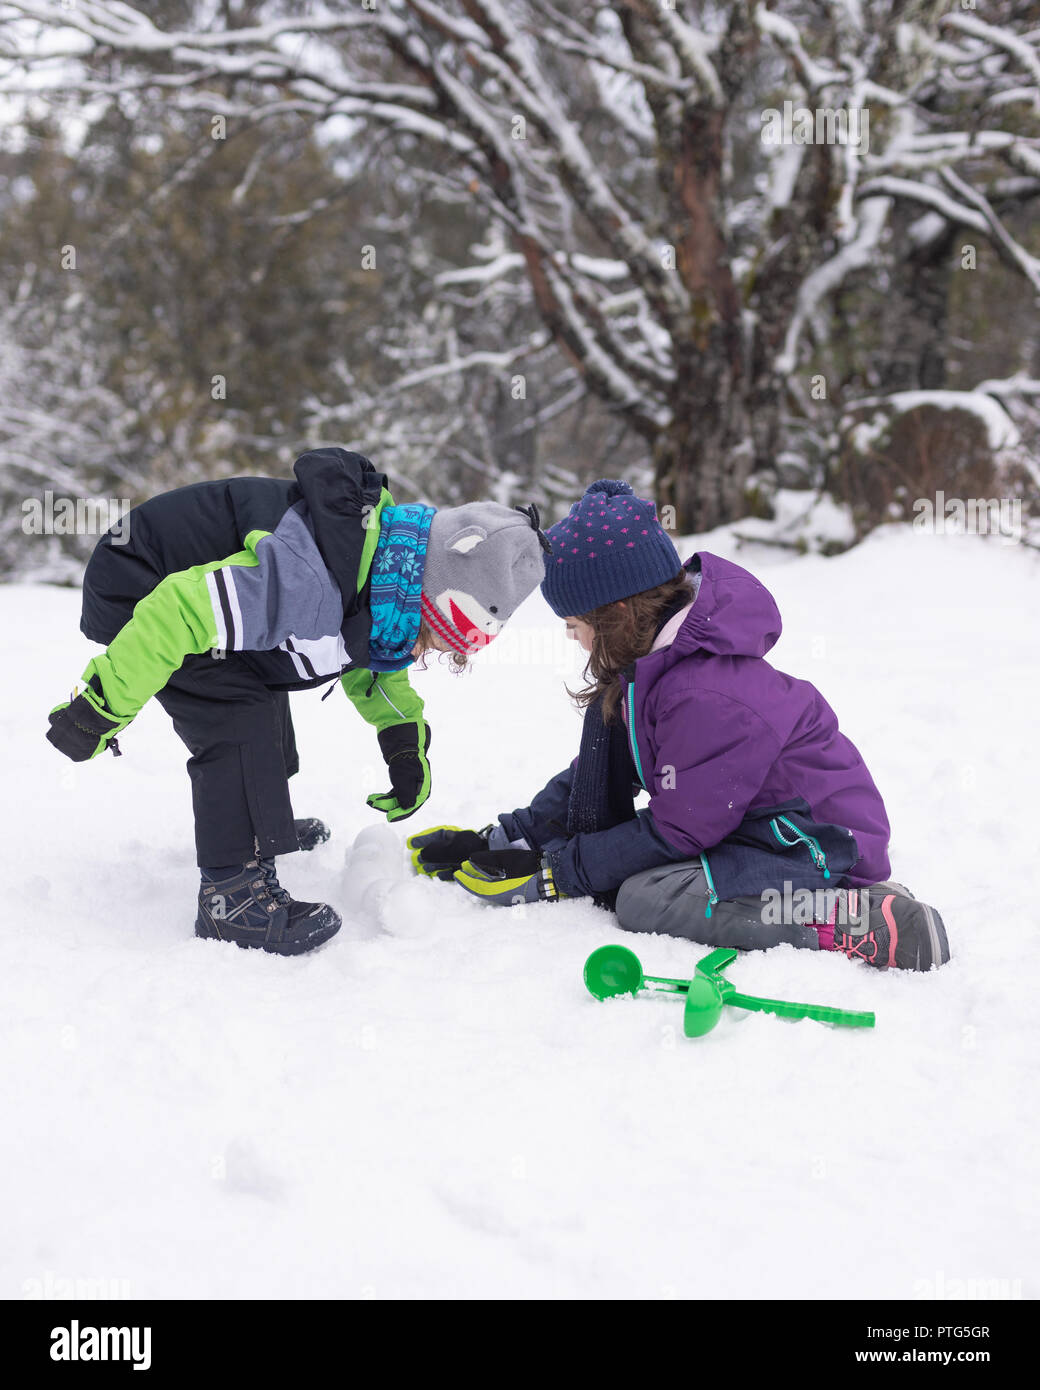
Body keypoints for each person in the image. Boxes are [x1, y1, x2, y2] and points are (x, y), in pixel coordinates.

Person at [409, 478, 950, 972]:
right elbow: (601, 776)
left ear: (615, 614)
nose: (572, 639)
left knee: (645, 896)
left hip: (814, 845)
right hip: (749, 832)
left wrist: (555, 875)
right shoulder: (653, 674)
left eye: (575, 626)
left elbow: (680, 829)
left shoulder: (705, 694)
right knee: (624, 837)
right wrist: (511, 837)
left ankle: (855, 916)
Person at [46, 446, 548, 956]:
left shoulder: (381, 563)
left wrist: (403, 745)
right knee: (237, 713)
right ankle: (229, 899)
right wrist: (99, 709)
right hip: (139, 583)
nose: (420, 655)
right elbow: (177, 611)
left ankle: (260, 828)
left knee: (260, 682)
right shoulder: (310, 578)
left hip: (181, 595)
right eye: (428, 640)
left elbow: (370, 657)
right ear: (423, 598)